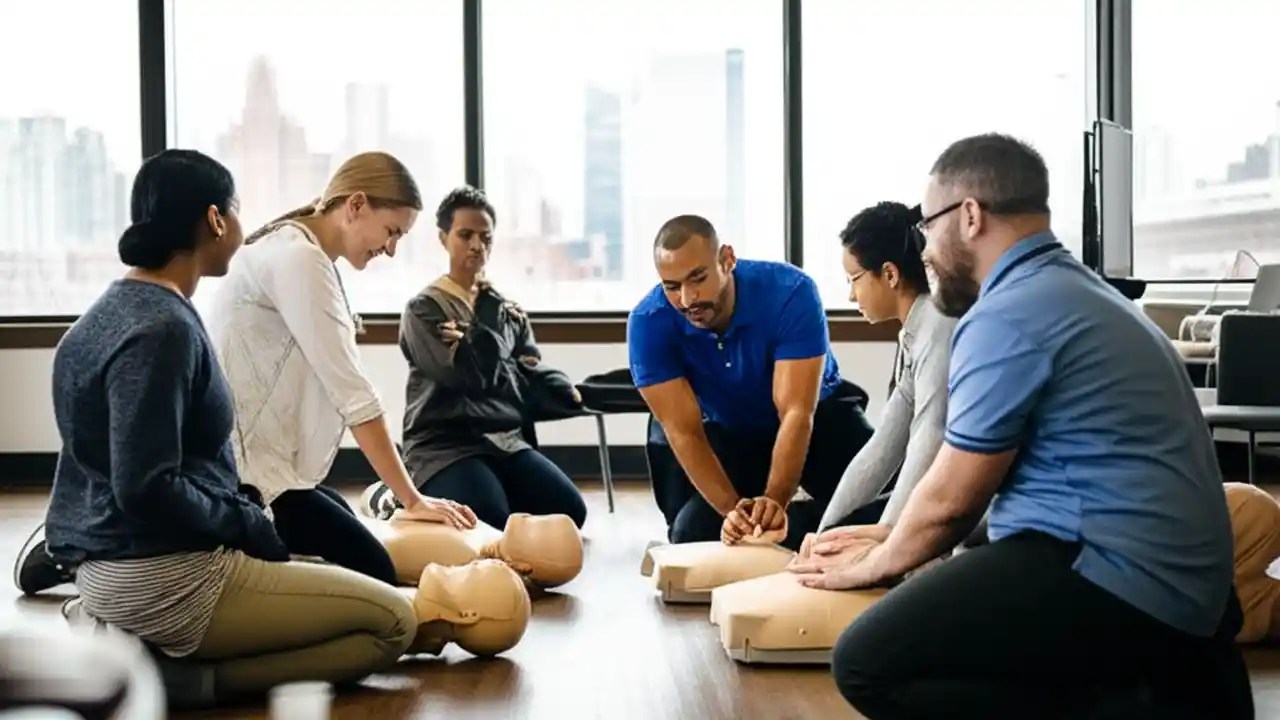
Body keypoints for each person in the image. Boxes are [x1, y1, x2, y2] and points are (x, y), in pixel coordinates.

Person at [793, 134, 1252, 719]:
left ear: (969, 216)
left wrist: (876, 564)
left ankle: (1136, 700)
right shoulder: (1075, 291)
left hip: (1119, 576)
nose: (924, 250)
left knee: (864, 660)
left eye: (926, 228)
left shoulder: (1008, 313)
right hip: (1161, 579)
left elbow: (954, 499)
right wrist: (890, 535)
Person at [31, 149, 416, 703]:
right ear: (216, 220)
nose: (245, 223)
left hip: (107, 573)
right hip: (171, 581)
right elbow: (145, 486)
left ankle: (113, 624)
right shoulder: (162, 330)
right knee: (393, 624)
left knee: (338, 574)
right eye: (236, 210)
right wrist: (243, 523)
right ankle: (179, 681)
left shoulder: (94, 323)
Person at [203, 151, 476, 587]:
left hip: (257, 471)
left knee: (346, 523)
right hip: (248, 483)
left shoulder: (295, 247)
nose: (390, 248)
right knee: (379, 578)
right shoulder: (300, 260)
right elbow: (354, 396)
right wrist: (413, 498)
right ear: (356, 205)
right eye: (392, 232)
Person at [628, 214, 874, 551]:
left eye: (698, 278)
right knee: (690, 535)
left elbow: (796, 414)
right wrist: (733, 513)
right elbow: (684, 432)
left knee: (886, 507)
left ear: (726, 259)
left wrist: (775, 502)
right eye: (672, 286)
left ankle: (804, 520)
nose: (687, 299)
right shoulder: (648, 322)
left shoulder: (791, 291)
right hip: (729, 431)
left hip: (819, 419)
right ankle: (806, 530)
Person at [358, 186, 588, 529]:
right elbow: (466, 377)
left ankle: (490, 492)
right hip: (445, 446)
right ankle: (393, 494)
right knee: (488, 518)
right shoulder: (424, 310)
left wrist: (478, 348)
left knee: (569, 512)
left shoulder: (507, 310)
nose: (477, 245)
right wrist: (495, 354)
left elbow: (524, 379)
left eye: (486, 237)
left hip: (505, 441)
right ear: (443, 238)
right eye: (465, 235)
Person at [803, 202, 956, 558]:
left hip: (990, 508)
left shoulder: (940, 325)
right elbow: (885, 443)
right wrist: (826, 532)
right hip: (939, 495)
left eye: (854, 279)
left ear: (889, 274)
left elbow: (929, 438)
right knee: (824, 535)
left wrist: (888, 538)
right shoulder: (914, 331)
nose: (851, 296)